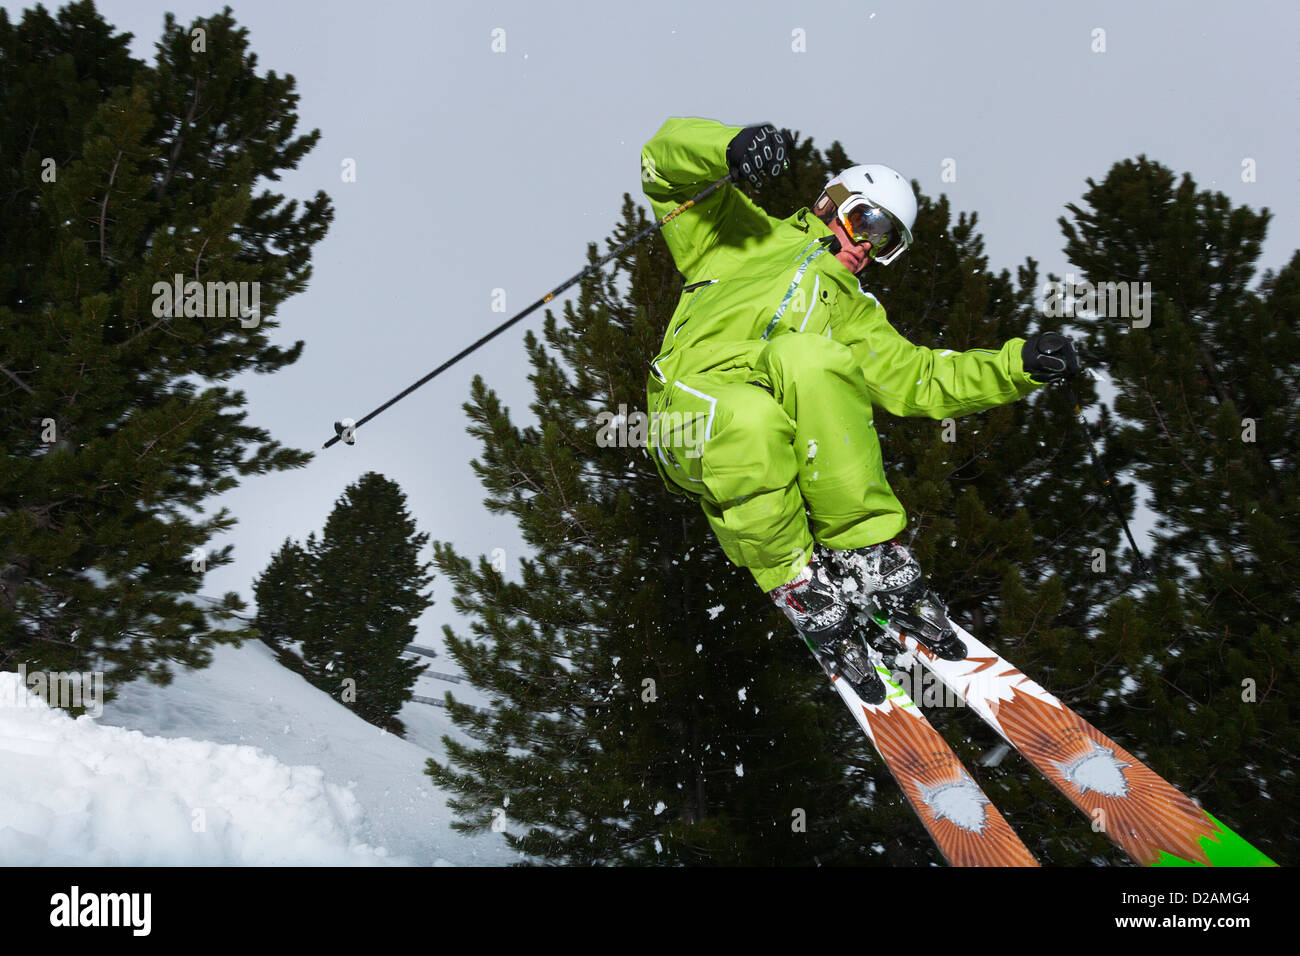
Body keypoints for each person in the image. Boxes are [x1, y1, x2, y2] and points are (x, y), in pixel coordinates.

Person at [640, 117, 1079, 696]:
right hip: (690, 416)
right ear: (832, 203)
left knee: (812, 361)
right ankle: (794, 577)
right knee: (749, 418)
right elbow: (662, 167)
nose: (868, 247)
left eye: (887, 241)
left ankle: (866, 553)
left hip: (765, 433)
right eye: (866, 221)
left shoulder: (851, 314)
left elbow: (922, 379)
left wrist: (1019, 365)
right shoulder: (738, 234)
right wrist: (728, 148)